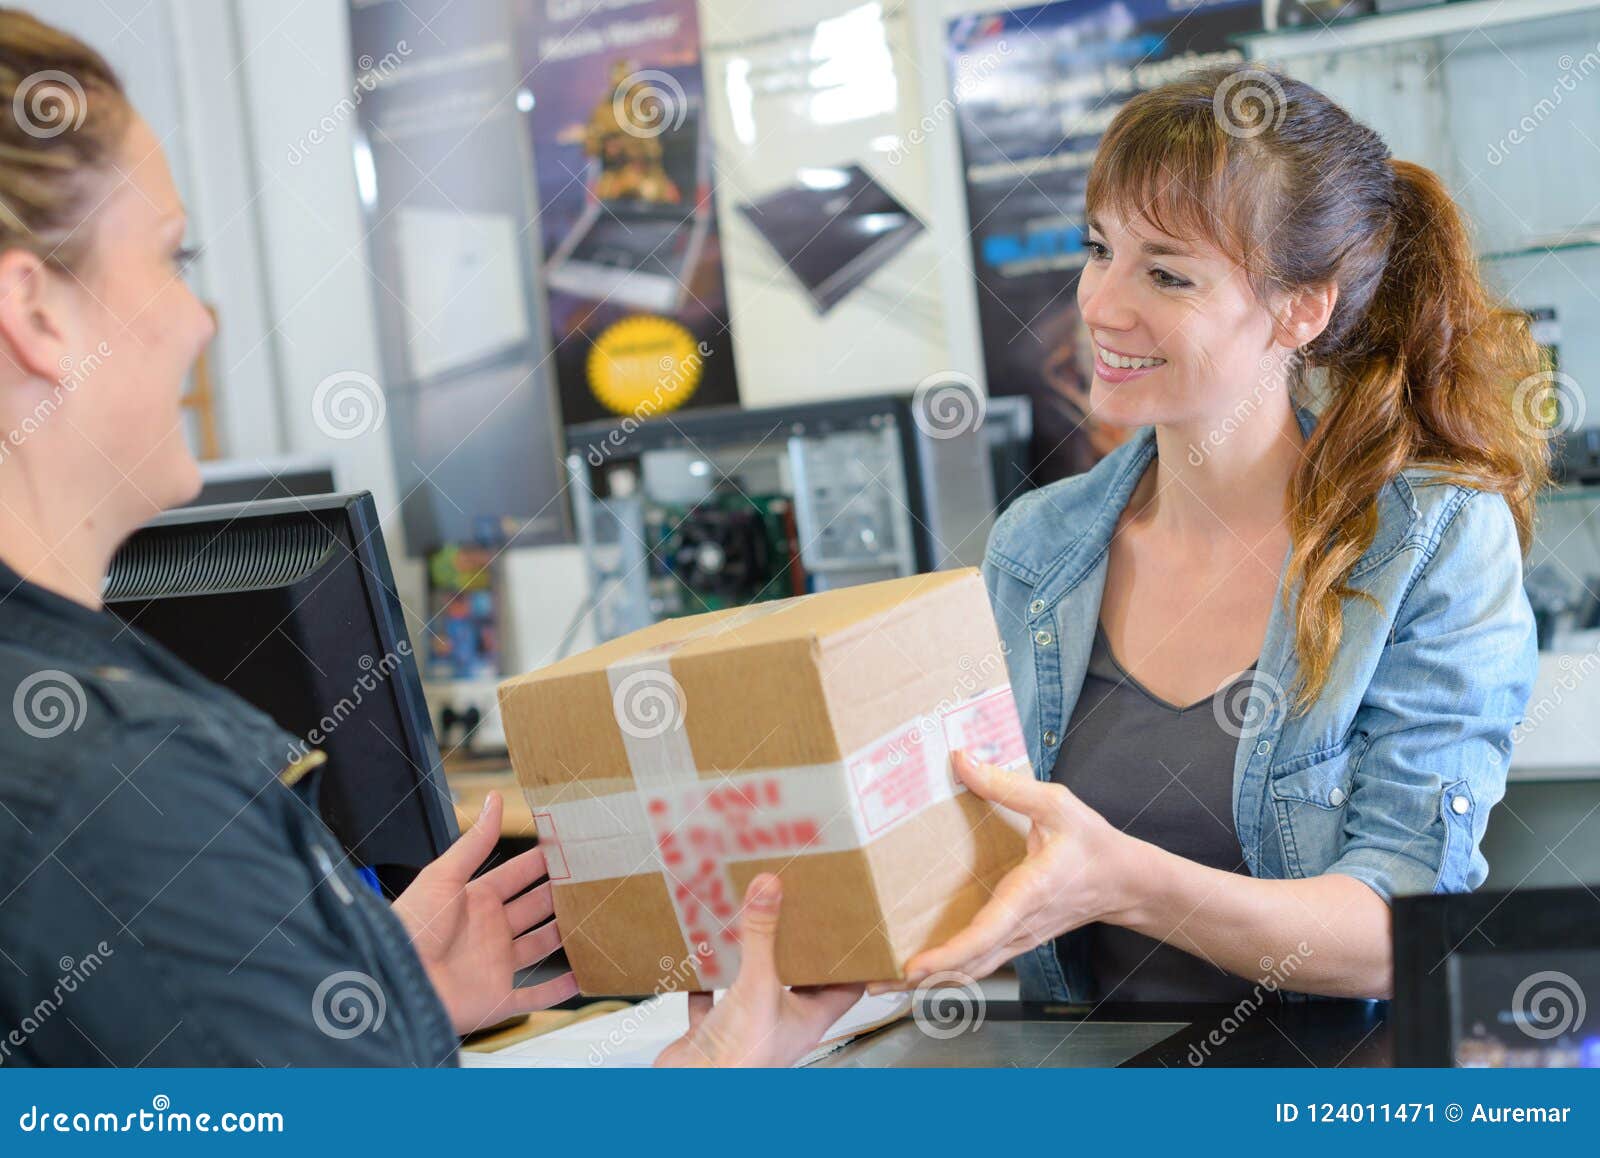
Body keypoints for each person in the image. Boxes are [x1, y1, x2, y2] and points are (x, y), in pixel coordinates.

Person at [0, 10, 857, 1067]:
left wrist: (363, 994)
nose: (200, 320)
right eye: (174, 259)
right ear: (34, 315)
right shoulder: (124, 791)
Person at [877, 66, 1545, 1006]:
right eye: (1097, 248)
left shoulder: (1431, 541)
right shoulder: (1038, 542)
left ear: (1299, 308)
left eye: (1165, 274)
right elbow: (969, 863)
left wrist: (1130, 884)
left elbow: (1404, 924)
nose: (1102, 305)